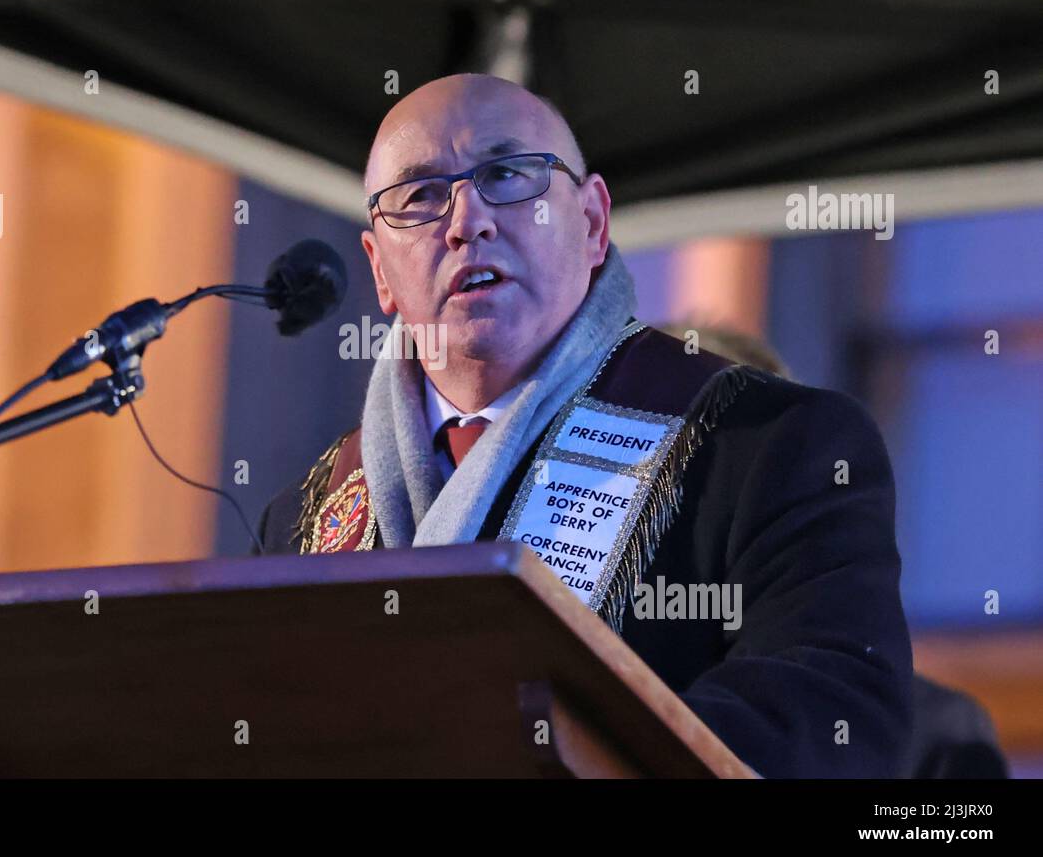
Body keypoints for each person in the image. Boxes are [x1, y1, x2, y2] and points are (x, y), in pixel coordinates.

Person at [253, 73, 913, 778]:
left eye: (508, 175)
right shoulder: (304, 516)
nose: (465, 221)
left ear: (594, 223)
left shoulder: (769, 444)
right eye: (420, 195)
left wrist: (564, 750)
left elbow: (835, 710)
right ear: (380, 270)